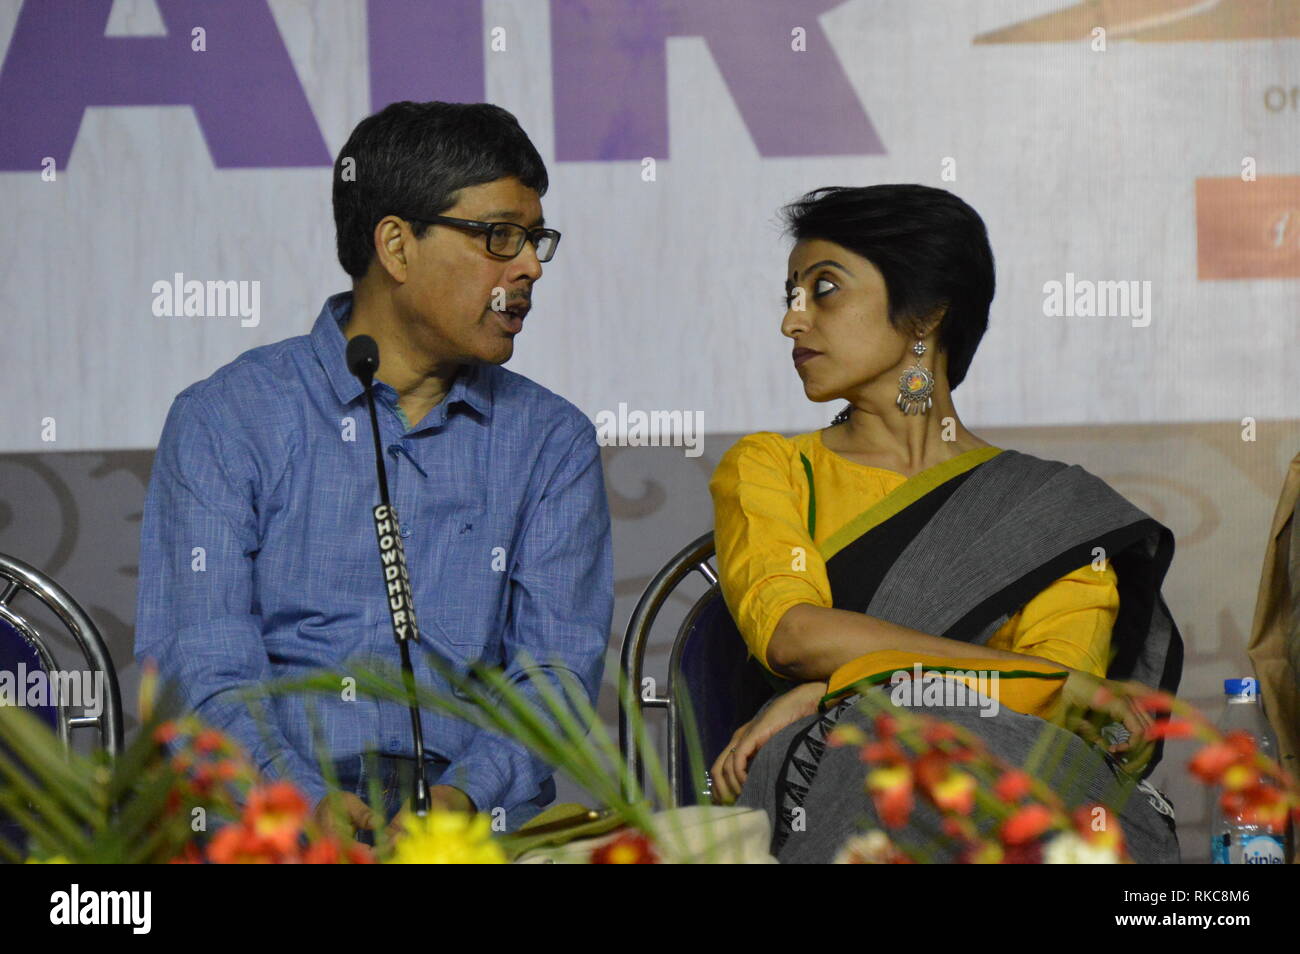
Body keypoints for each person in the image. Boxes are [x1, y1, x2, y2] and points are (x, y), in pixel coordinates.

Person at [135, 101, 613, 837]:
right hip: (265, 826)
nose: (528, 267)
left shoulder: (552, 441)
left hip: (474, 832)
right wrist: (297, 805)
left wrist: (462, 803)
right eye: (499, 236)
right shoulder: (226, 418)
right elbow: (202, 665)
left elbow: (551, 675)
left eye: (534, 239)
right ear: (396, 246)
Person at [707, 185, 1183, 863]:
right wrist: (861, 694)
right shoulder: (771, 468)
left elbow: (1053, 707)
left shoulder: (1053, 509)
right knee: (886, 747)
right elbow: (794, 633)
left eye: (826, 289)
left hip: (1004, 786)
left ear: (925, 314)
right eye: (791, 295)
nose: (793, 321)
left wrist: (832, 689)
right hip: (823, 788)